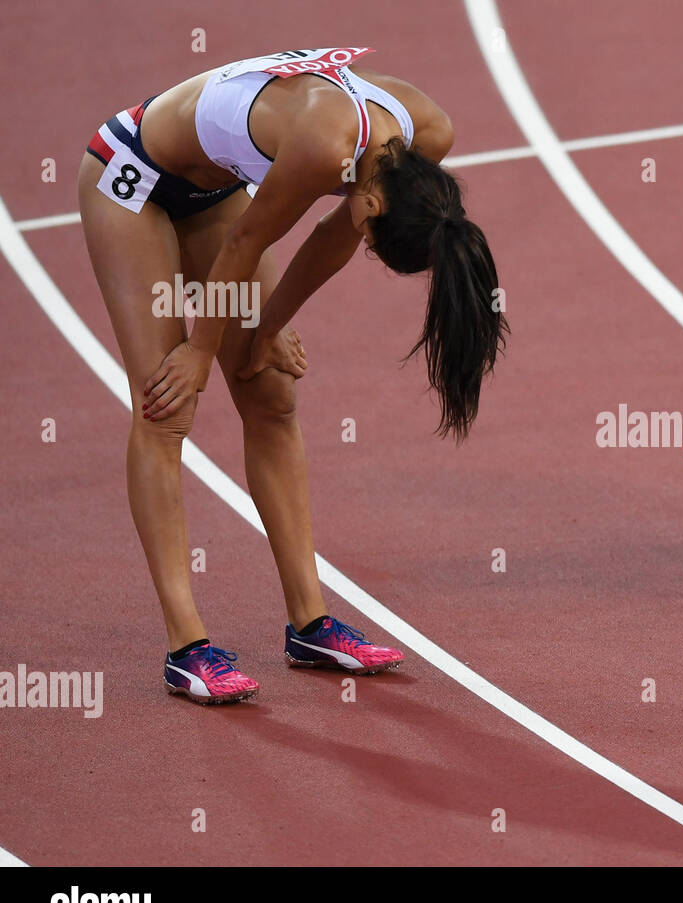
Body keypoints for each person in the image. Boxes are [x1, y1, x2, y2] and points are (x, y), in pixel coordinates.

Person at [77, 47, 509, 701]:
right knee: (167, 405)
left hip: (214, 191)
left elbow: (329, 237)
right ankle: (186, 646)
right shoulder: (320, 144)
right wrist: (199, 350)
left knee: (272, 397)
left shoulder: (427, 134)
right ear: (374, 202)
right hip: (134, 175)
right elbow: (244, 246)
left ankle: (309, 623)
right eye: (374, 237)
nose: (362, 239)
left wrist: (269, 332)